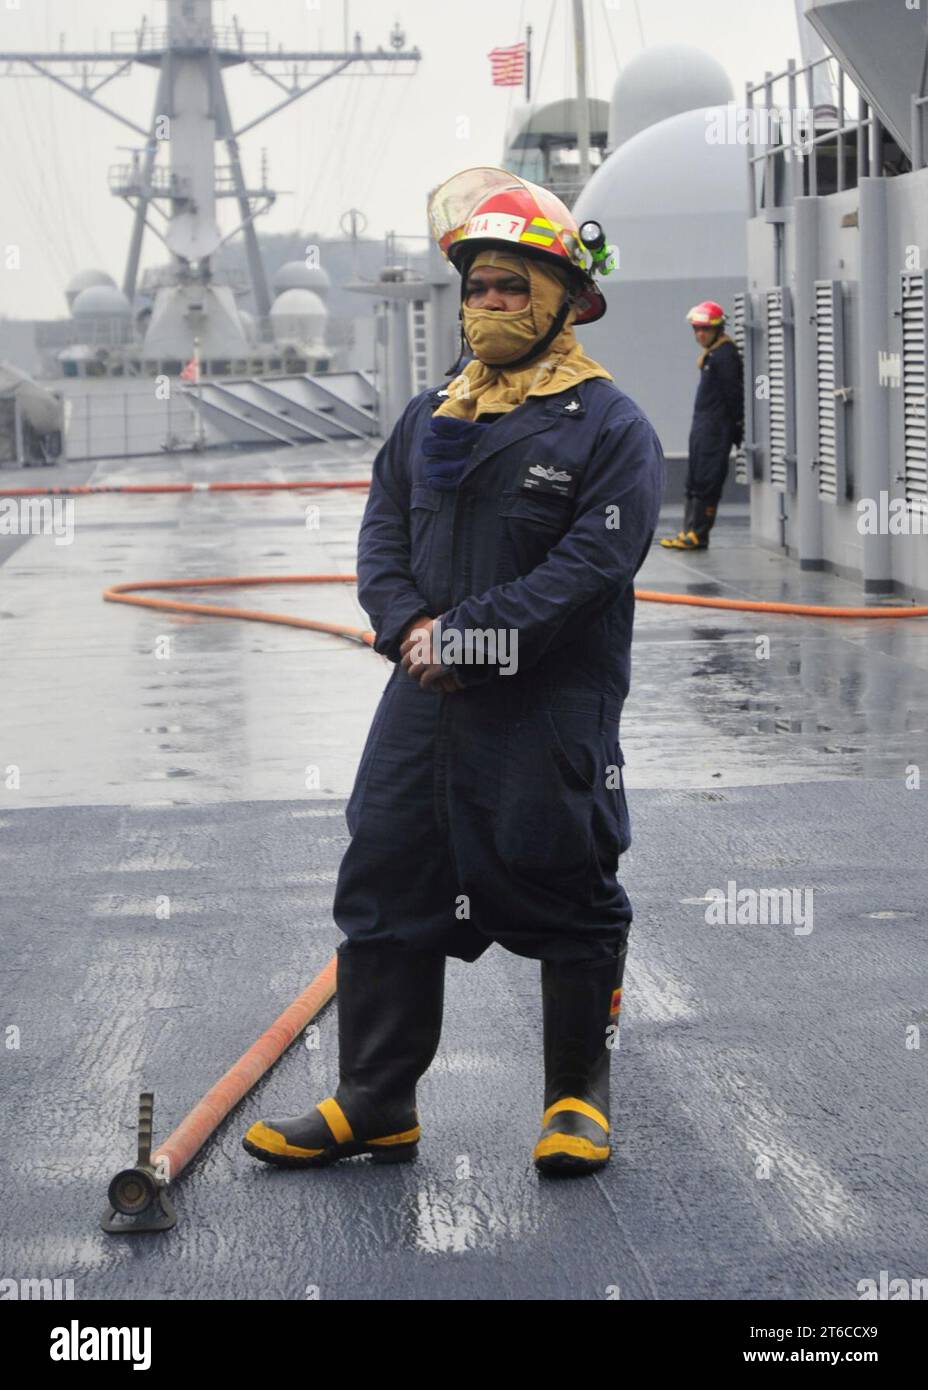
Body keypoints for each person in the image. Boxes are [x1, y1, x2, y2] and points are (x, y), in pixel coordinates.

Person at [243, 168, 664, 1177]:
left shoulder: (610, 427)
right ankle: (375, 1102)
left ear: (566, 299)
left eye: (511, 286)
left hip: (545, 710)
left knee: (564, 881)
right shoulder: (432, 412)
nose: (488, 302)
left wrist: (462, 639)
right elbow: (381, 533)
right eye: (475, 285)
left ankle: (575, 1100)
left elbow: (590, 567)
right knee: (386, 875)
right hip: (420, 703)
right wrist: (405, 630)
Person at [661, 300, 744, 550]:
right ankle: (689, 531)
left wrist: (738, 427)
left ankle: (699, 533)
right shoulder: (712, 355)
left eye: (704, 329)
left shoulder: (725, 355)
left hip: (717, 431)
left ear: (718, 329)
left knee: (707, 481)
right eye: (696, 329)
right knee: (694, 480)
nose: (699, 334)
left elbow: (734, 396)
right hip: (703, 429)